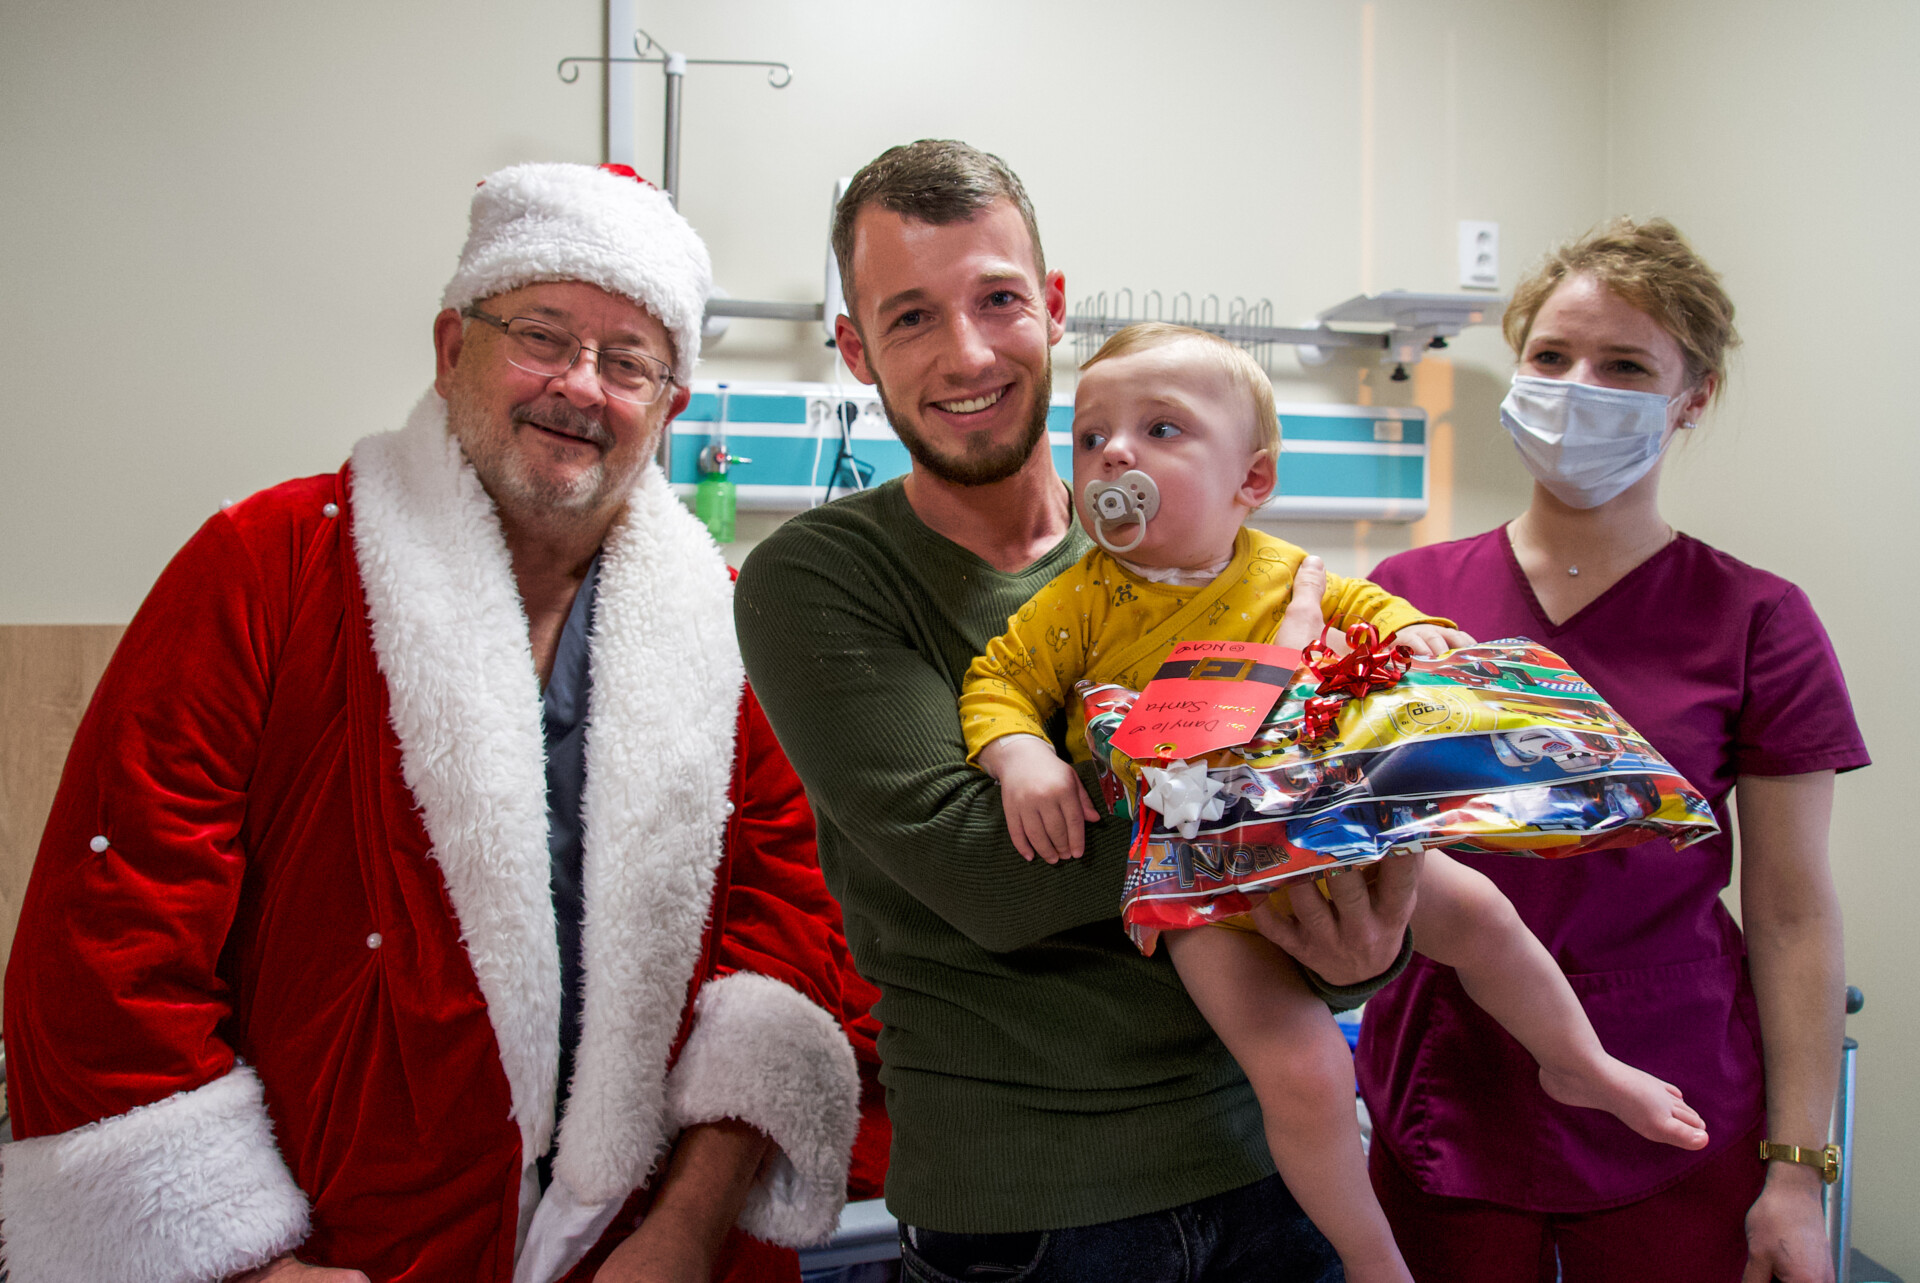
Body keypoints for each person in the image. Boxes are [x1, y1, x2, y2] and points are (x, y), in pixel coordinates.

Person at [2, 162, 873, 1283]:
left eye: (627, 361)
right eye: (542, 335)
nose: (579, 385)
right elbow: (111, 938)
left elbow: (790, 937)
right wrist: (242, 1263)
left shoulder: (733, 624)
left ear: (670, 407)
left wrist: (687, 1228)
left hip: (643, 1249)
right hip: (334, 1246)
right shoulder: (263, 573)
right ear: (448, 344)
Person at [735, 139, 1417, 1283]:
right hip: (1038, 1217)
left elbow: (1345, 847)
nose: (967, 352)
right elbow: (991, 875)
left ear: (1051, 308)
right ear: (855, 350)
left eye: (997, 299)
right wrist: (1279, 808)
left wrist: (1361, 946)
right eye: (909, 318)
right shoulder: (821, 579)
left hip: (1267, 1164)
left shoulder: (1197, 555)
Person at [958, 322, 1709, 1282]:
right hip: (1203, 885)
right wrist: (1024, 758)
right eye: (1091, 433)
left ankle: (1576, 1059)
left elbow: (1386, 617)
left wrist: (1428, 637)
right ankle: (1372, 1260)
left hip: (1325, 832)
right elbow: (998, 683)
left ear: (1253, 481)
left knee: (1482, 910)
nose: (1114, 454)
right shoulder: (1079, 602)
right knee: (1307, 1068)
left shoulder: (1289, 575)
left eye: (1160, 429)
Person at [1353, 218, 1870, 1283]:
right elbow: (1351, 851)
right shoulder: (1404, 605)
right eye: (1551, 357)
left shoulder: (1757, 618)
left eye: (1624, 365)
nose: (1576, 385)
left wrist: (1796, 1172)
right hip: (1452, 1081)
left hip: (1677, 1090)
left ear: (1693, 397)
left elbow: (1790, 912)